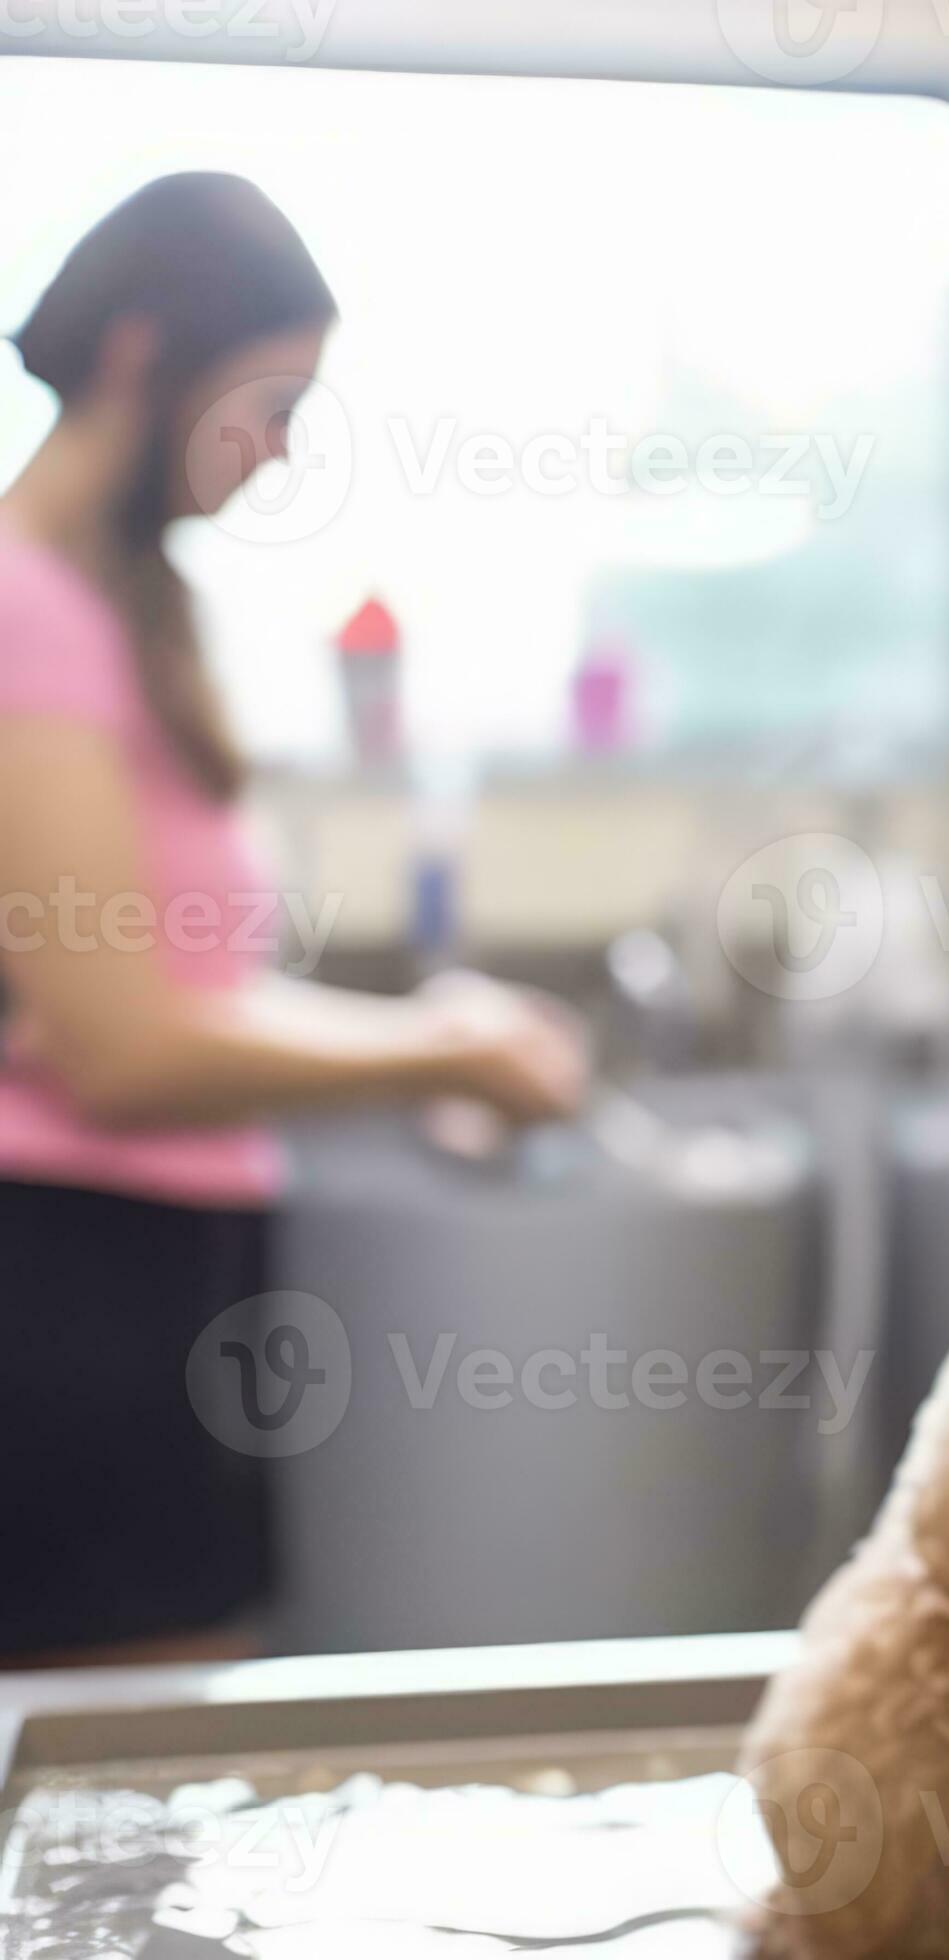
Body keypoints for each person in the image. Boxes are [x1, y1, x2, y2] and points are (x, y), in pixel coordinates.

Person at [0, 174, 588, 1665]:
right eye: (267, 404)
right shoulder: (24, 610)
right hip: (68, 1294)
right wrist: (437, 1057)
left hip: (163, 1282)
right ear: (143, 356)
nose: (276, 455)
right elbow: (124, 1049)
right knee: (109, 1818)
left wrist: (434, 1048)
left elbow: (198, 991)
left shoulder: (125, 607)